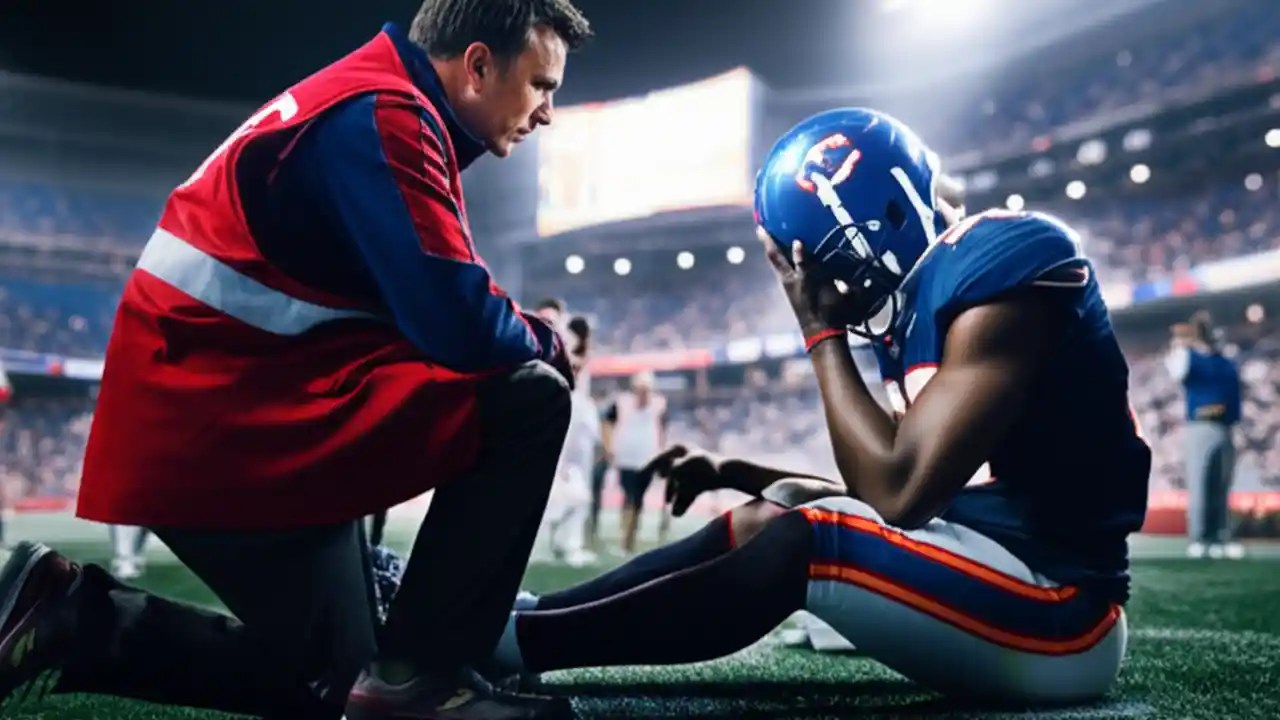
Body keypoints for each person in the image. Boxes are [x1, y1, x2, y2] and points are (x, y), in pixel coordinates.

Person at [0, 2, 591, 719]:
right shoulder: (386, 114)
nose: (548, 111)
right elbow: (463, 327)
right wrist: (551, 340)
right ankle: (422, 683)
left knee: (338, 684)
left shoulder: (377, 100)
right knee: (531, 394)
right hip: (227, 423)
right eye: (541, 85)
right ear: (476, 65)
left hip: (239, 406)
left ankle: (75, 616)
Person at [485, 108, 1150, 706]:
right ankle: (520, 620)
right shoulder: (925, 306)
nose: (816, 284)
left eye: (811, 264)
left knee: (817, 538)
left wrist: (818, 330)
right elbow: (890, 490)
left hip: (1063, 614)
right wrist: (737, 471)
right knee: (777, 508)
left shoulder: (1000, 266)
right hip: (991, 559)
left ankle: (514, 647)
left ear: (865, 231)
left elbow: (895, 496)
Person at [1166, 311, 1244, 559]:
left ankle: (1219, 536)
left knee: (1221, 485)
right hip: (1200, 425)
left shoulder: (1226, 362)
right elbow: (1176, 370)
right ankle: (1200, 538)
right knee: (1201, 483)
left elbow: (1236, 395)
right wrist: (1181, 342)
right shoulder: (1190, 357)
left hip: (1226, 426)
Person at [542, 315, 600, 567]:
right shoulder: (570, 352)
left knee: (574, 479)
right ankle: (564, 537)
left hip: (579, 413)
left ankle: (564, 536)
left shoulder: (573, 352)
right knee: (567, 476)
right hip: (574, 412)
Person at [602, 371, 670, 554]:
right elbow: (607, 423)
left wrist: (663, 452)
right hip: (626, 458)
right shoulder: (621, 403)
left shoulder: (659, 404)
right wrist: (608, 447)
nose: (643, 393)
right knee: (629, 497)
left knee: (638, 499)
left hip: (648, 458)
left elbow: (662, 429)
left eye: (646, 389)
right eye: (640, 389)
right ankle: (625, 538)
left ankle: (629, 538)